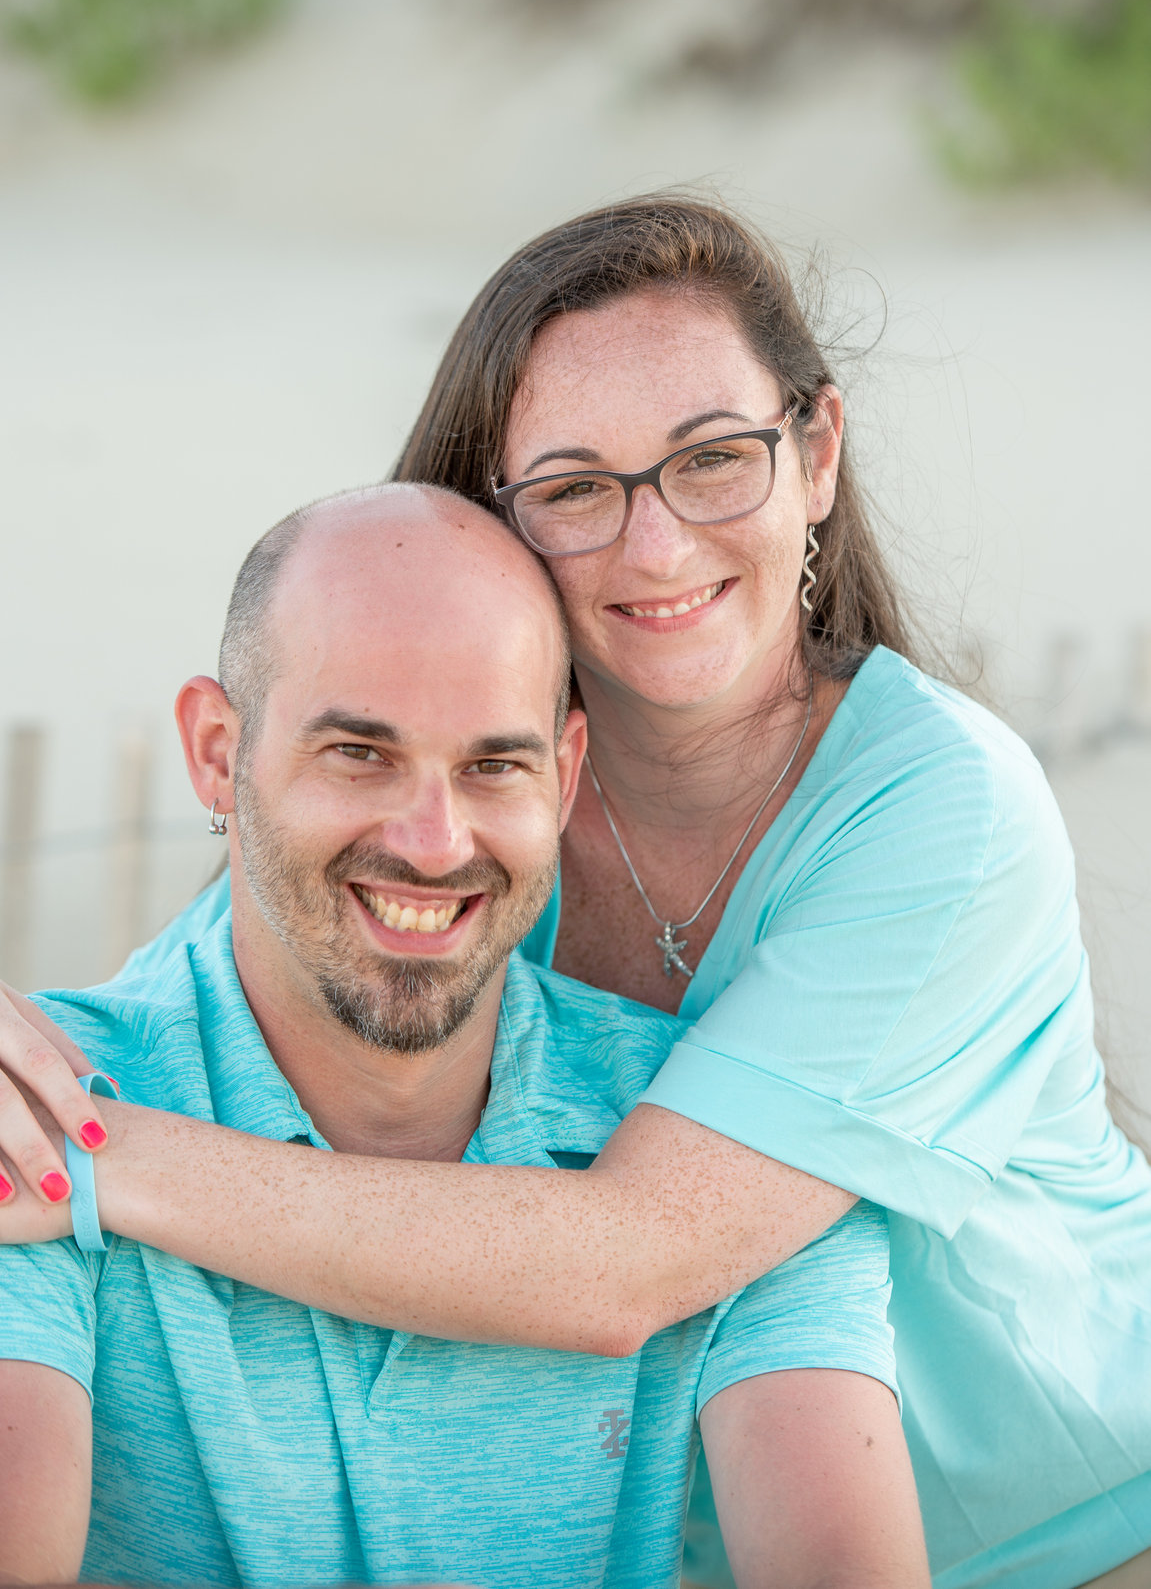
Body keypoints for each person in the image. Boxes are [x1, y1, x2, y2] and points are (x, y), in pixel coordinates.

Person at [1, 195, 1149, 1589]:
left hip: (1074, 1524)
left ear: (817, 453)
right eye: (573, 485)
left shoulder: (938, 811)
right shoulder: (482, 818)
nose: (654, 546)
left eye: (712, 459)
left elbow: (625, 1261)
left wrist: (82, 1158)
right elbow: (231, 975)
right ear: (496, 518)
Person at [0, 484, 925, 1589]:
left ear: (565, 771)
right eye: (359, 752)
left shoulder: (709, 1147)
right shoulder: (24, 1104)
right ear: (215, 751)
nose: (433, 843)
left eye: (493, 765)